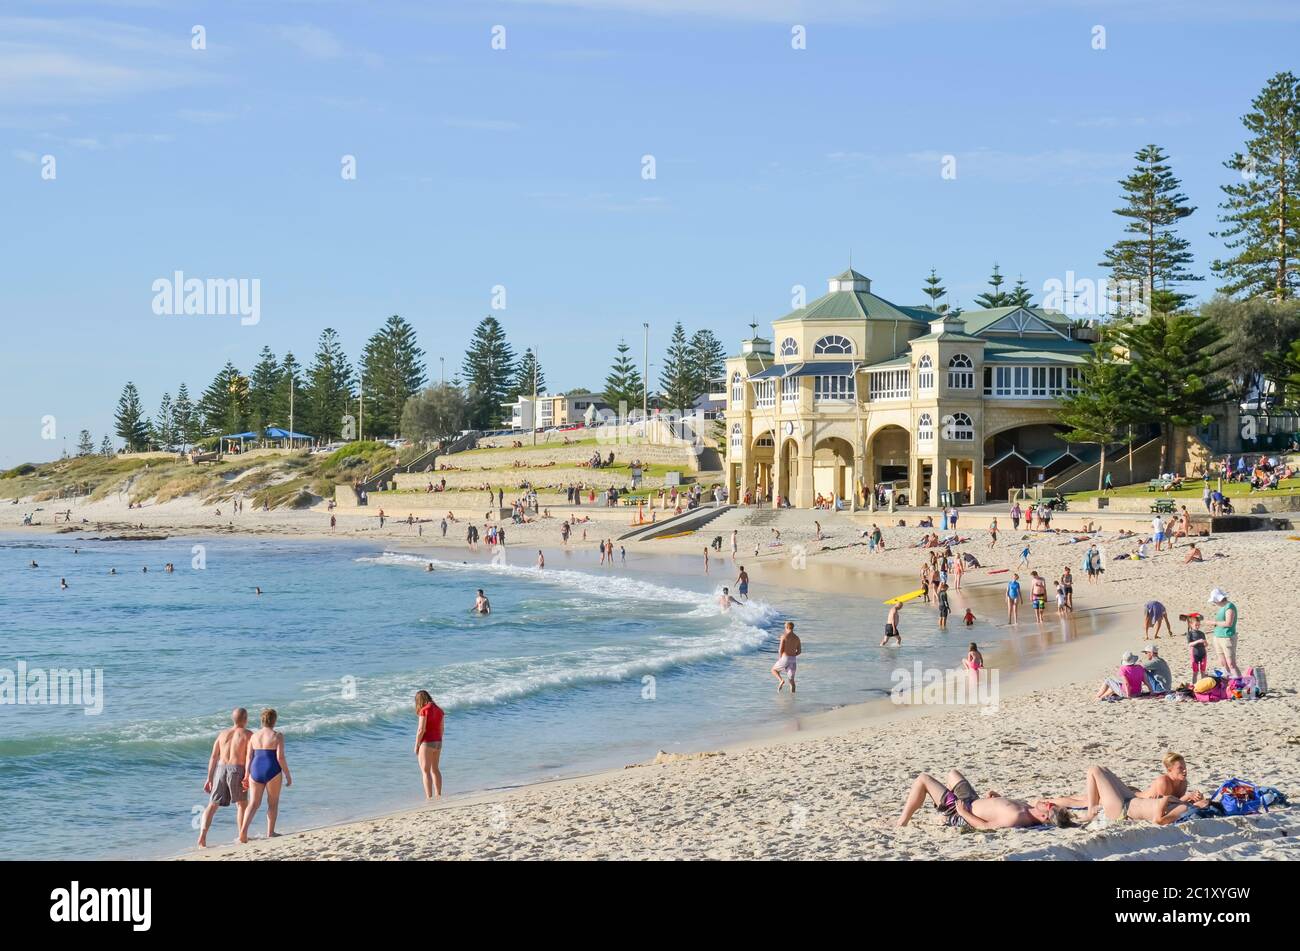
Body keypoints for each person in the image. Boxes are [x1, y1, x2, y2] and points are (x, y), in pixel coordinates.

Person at [895, 769, 1073, 829]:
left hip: (964, 809)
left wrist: (962, 812)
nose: (1046, 802)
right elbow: (1000, 807)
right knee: (952, 774)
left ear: (1044, 817)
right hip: (972, 799)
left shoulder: (1016, 818)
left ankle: (901, 822)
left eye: (1048, 806)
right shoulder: (1027, 807)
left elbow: (985, 827)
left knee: (923, 779)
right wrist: (996, 799)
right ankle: (944, 814)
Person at [198, 708, 252, 847]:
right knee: (241, 804)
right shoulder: (248, 734)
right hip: (237, 769)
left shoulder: (222, 734)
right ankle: (242, 835)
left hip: (220, 769)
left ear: (233, 719)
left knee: (212, 804)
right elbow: (249, 757)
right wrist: (247, 775)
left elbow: (214, 757)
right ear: (245, 719)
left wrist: (209, 778)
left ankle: (202, 836)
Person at [238, 708, 291, 843]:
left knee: (253, 803)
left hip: (255, 769)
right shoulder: (278, 735)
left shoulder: (253, 736)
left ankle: (243, 833)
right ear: (274, 720)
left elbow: (249, 757)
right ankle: (270, 832)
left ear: (262, 721)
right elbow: (280, 758)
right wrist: (287, 775)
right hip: (272, 769)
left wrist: (246, 775)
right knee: (273, 802)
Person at [1075, 765, 1191, 826]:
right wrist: (1182, 799)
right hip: (1131, 799)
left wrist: (1166, 799)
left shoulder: (1184, 808)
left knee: (1094, 770)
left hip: (1122, 810)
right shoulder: (1183, 804)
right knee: (1102, 769)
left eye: (1205, 801)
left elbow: (1158, 820)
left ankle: (1091, 813)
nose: (1202, 798)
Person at [413, 689, 444, 799]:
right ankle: (438, 794)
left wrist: (416, 745)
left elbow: (421, 729)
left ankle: (429, 797)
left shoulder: (424, 710)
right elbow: (442, 729)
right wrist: (439, 741)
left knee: (425, 771)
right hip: (438, 742)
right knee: (435, 769)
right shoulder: (440, 710)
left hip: (427, 742)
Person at [1208, 587, 1241, 678]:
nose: (1214, 603)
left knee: (1231, 664)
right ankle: (1229, 684)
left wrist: (1214, 623)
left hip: (1227, 637)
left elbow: (1228, 623)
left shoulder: (1229, 607)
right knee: (1223, 663)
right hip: (1218, 637)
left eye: (1214, 601)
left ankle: (1239, 685)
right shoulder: (1223, 607)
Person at [771, 621, 801, 692]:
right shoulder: (797, 638)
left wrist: (780, 659)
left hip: (785, 658)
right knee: (791, 681)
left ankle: (781, 680)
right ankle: (792, 698)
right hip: (793, 659)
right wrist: (793, 655)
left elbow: (780, 649)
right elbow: (799, 651)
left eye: (785, 627)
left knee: (773, 670)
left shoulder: (784, 636)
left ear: (787, 627)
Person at [1184, 612, 1209, 681]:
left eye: (1198, 625)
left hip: (1203, 653)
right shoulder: (1190, 634)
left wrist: (1205, 643)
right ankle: (1194, 687)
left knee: (1203, 671)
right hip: (1195, 653)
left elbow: (1206, 645)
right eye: (1196, 625)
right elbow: (1189, 644)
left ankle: (1203, 686)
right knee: (1195, 672)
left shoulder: (1201, 633)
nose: (1197, 626)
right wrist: (1198, 641)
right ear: (1191, 624)